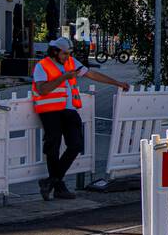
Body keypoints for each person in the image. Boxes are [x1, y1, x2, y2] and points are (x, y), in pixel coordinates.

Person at [32, 36, 130, 200]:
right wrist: (64, 77)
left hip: (69, 110)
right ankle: (59, 187)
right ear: (55, 52)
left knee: (76, 145)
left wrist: (117, 83)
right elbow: (42, 90)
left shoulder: (71, 62)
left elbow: (92, 74)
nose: (67, 57)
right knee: (53, 148)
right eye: (64, 54)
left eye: (69, 53)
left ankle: (51, 181)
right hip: (50, 111)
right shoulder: (42, 66)